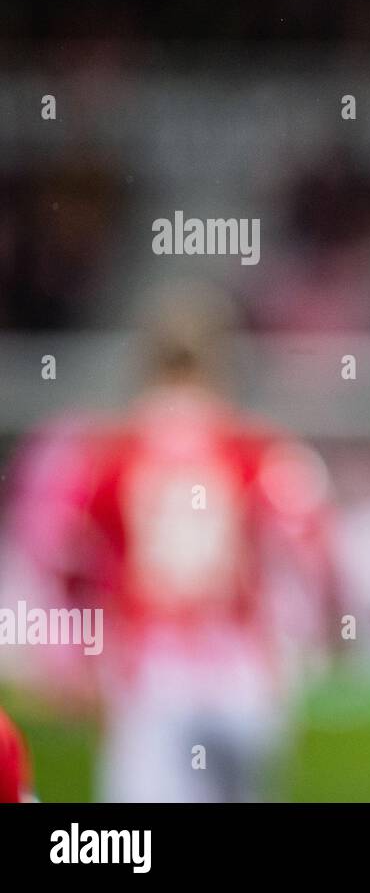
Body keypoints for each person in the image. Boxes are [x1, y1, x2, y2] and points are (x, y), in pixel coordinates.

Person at [1, 282, 337, 801]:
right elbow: (311, 550)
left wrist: (69, 661)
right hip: (242, 677)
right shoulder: (255, 449)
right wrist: (311, 644)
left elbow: (66, 563)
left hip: (155, 675)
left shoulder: (111, 456)